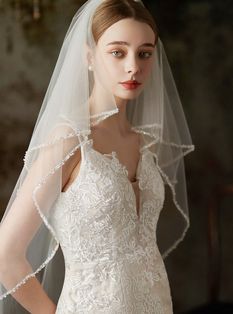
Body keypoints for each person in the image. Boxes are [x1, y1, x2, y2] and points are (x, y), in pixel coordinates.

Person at [0, 0, 194, 313]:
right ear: (89, 57)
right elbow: (5, 253)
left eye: (144, 53)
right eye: (118, 52)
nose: (133, 66)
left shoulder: (144, 144)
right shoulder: (69, 140)